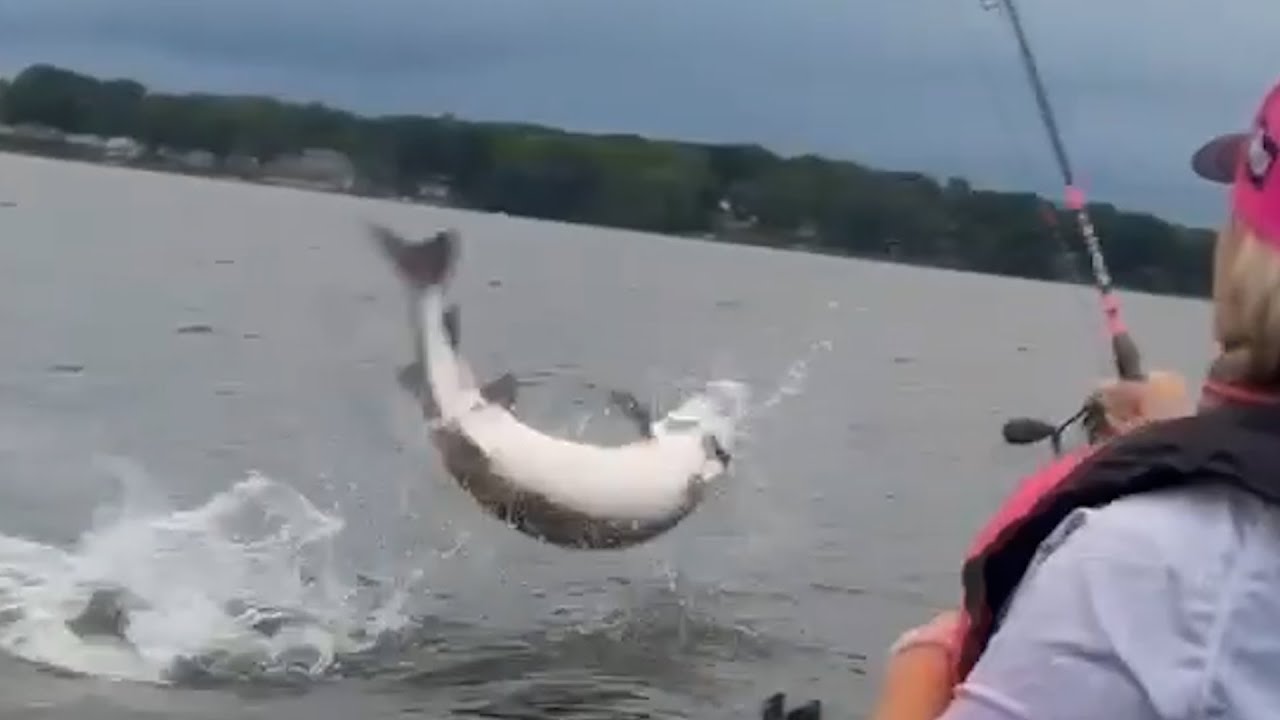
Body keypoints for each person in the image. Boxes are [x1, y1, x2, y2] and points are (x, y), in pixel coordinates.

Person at [867, 75, 1280, 720]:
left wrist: (924, 667)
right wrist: (1177, 445)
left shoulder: (1155, 568)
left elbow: (1209, 595)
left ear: (1247, 254)